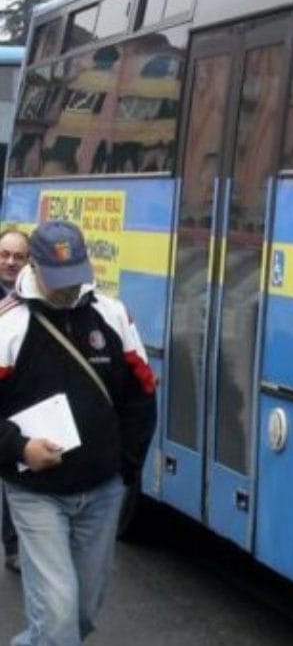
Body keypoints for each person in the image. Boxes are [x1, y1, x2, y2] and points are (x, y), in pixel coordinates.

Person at [0, 220, 157, 646]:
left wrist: (125, 468)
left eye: (76, 278)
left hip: (102, 492)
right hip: (36, 494)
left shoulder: (113, 315)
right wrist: (20, 448)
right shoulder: (8, 325)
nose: (69, 290)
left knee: (81, 616)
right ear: (36, 267)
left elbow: (142, 395)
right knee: (57, 622)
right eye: (58, 280)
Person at [0, 229, 30, 574]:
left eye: (18, 256)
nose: (10, 262)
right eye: (4, 254)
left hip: (20, 396)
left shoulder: (36, 296)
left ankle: (14, 545)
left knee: (14, 468)